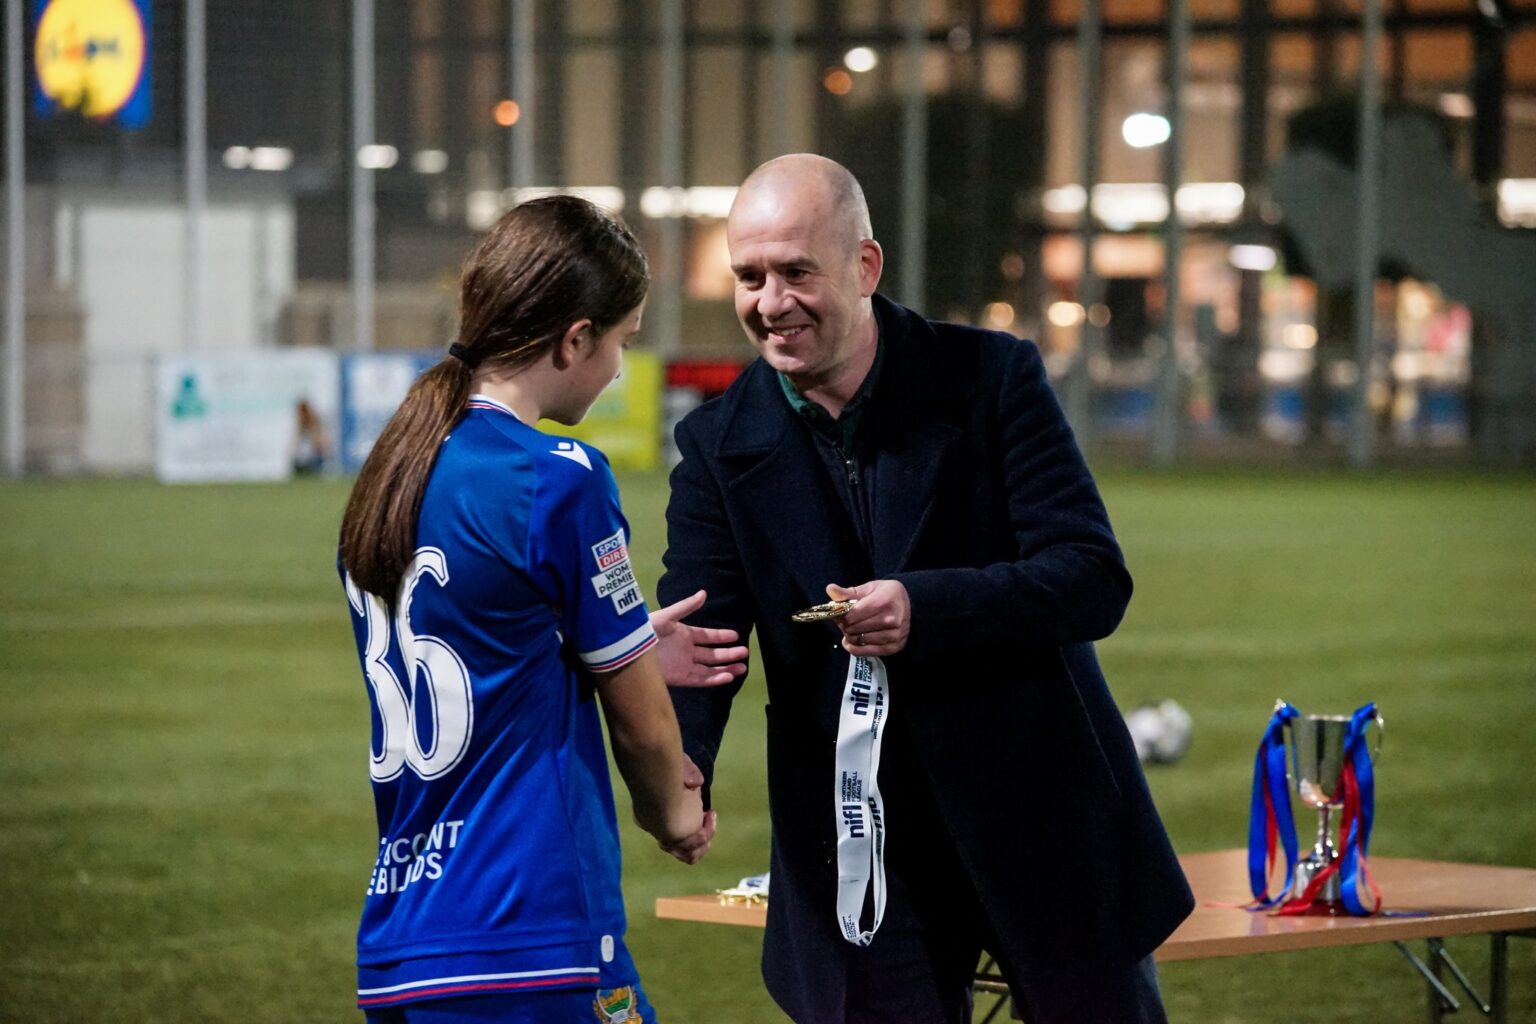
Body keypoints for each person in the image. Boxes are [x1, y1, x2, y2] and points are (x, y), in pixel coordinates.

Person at [657, 154, 1196, 1023]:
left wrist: (929, 607)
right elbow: (704, 639)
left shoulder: (992, 379)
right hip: (861, 852)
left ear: (865, 267)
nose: (770, 301)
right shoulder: (719, 445)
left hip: (1040, 816)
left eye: (797, 272)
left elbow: (1092, 580)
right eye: (749, 277)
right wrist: (684, 769)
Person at [337, 196, 742, 1024]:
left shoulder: (395, 472)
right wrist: (675, 812)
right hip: (528, 937)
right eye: (622, 342)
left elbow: (486, 653)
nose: (622, 369)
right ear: (575, 339)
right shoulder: (558, 475)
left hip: (404, 942)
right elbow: (646, 730)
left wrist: (603, 652)